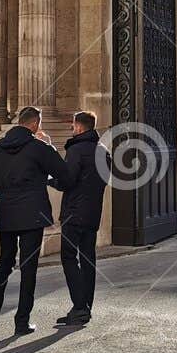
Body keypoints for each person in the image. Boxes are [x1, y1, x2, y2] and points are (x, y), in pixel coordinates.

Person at [0, 106, 73, 334]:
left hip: (7, 214)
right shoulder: (38, 148)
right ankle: (22, 321)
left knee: (4, 262)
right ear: (35, 124)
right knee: (28, 267)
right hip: (33, 215)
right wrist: (49, 146)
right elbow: (64, 173)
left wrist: (4, 195)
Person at [56, 112, 106, 326]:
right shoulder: (103, 151)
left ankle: (79, 306)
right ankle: (85, 306)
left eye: (73, 125)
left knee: (68, 258)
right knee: (88, 259)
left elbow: (67, 180)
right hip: (93, 212)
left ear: (78, 127)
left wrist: (52, 181)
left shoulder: (75, 150)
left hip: (73, 212)